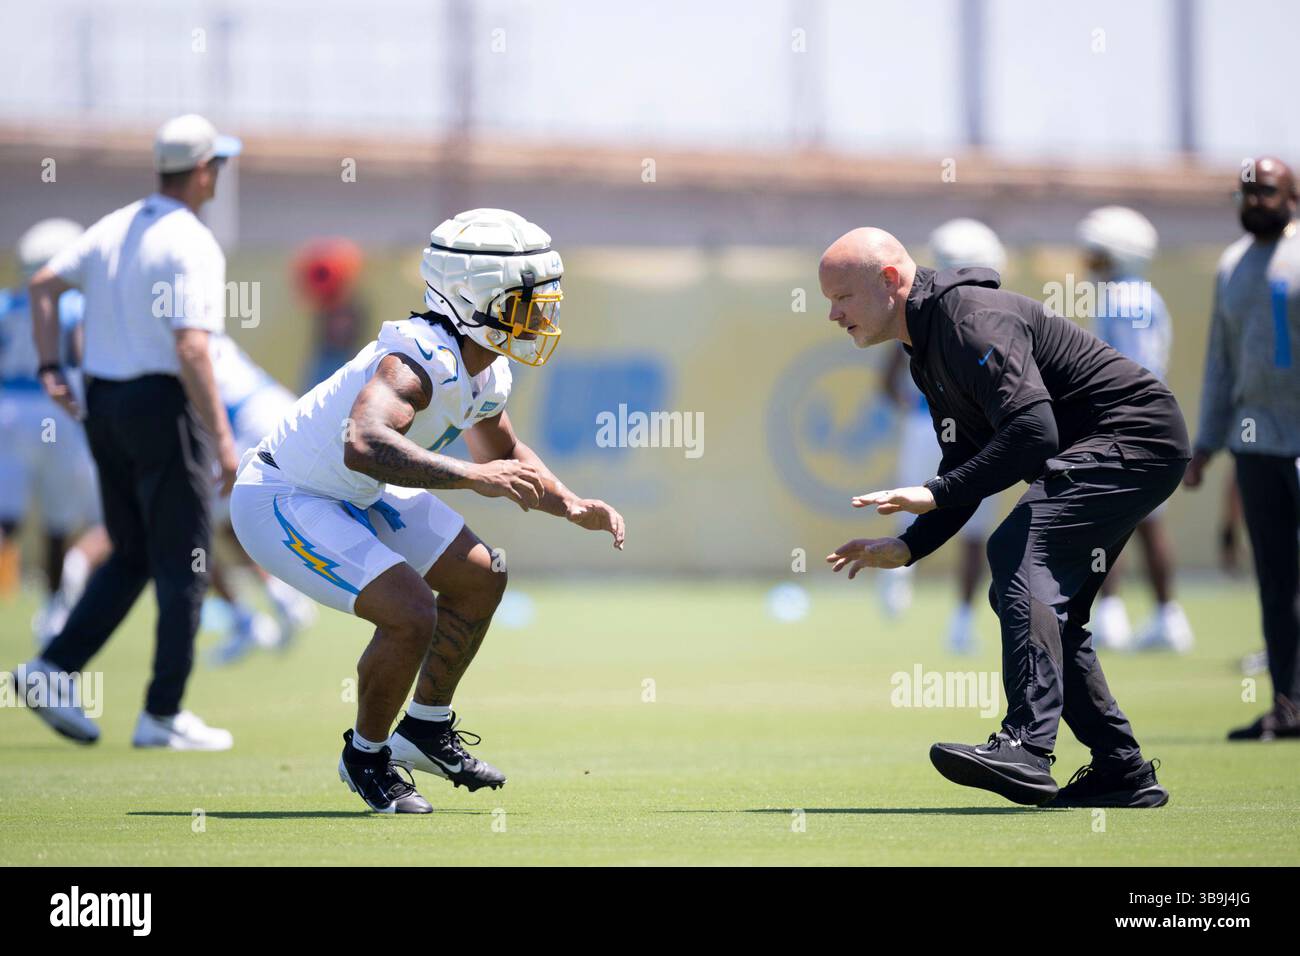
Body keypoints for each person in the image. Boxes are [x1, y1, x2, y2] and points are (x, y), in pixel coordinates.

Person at [229, 208, 626, 813]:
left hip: (355, 491)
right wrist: (472, 477)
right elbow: (363, 442)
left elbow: (505, 453)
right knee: (411, 611)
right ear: (473, 297)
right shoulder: (415, 357)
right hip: (286, 496)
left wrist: (569, 505)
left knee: (481, 575)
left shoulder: (486, 369)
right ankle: (365, 757)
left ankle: (425, 727)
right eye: (525, 300)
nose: (540, 315)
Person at [820, 227, 1190, 808]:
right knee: (1040, 602)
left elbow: (1032, 432)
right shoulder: (925, 347)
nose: (832, 314)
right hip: (1124, 445)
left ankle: (1026, 747)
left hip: (1133, 437)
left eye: (841, 297)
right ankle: (1121, 770)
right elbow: (969, 459)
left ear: (890, 280)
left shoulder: (967, 320)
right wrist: (910, 547)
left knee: (1016, 554)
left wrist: (936, 494)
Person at [13, 114, 242, 750]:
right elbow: (192, 348)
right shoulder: (189, 240)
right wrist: (224, 441)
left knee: (134, 551)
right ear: (202, 172)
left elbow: (42, 286)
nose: (218, 175)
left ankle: (51, 669)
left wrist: (51, 364)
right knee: (186, 561)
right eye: (217, 165)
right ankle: (162, 713)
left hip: (104, 404)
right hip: (160, 404)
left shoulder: (114, 225)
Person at [1184, 156, 1300, 741]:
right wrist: (1205, 444)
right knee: (1277, 580)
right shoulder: (1230, 267)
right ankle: (1288, 705)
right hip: (1257, 444)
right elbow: (1220, 364)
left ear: (1293, 196)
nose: (1255, 201)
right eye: (1247, 192)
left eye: (1268, 192)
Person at [878, 219, 1006, 653]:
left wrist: (923, 408)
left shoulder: (923, 311)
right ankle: (962, 619)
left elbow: (888, 381)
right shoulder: (987, 314)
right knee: (972, 525)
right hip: (972, 428)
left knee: (919, 508)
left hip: (930, 424)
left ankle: (902, 579)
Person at [1076, 206, 1193, 653]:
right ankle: (1156, 615)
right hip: (1140, 418)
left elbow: (1135, 367)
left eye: (1098, 253)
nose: (1090, 262)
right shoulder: (1136, 295)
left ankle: (1116, 615)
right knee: (1141, 519)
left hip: (1127, 419)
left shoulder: (1127, 300)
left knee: (1108, 517)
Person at [0, 218, 107, 644]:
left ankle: (55, 610)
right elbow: (82, 354)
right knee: (58, 522)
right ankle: (54, 612)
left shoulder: (8, 305)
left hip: (7, 411)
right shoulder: (73, 307)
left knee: (6, 520)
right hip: (56, 411)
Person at [206, 332, 317, 665]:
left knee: (182, 528)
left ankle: (246, 619)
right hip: (279, 410)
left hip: (249, 422)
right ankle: (280, 599)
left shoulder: (175, 339)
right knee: (228, 522)